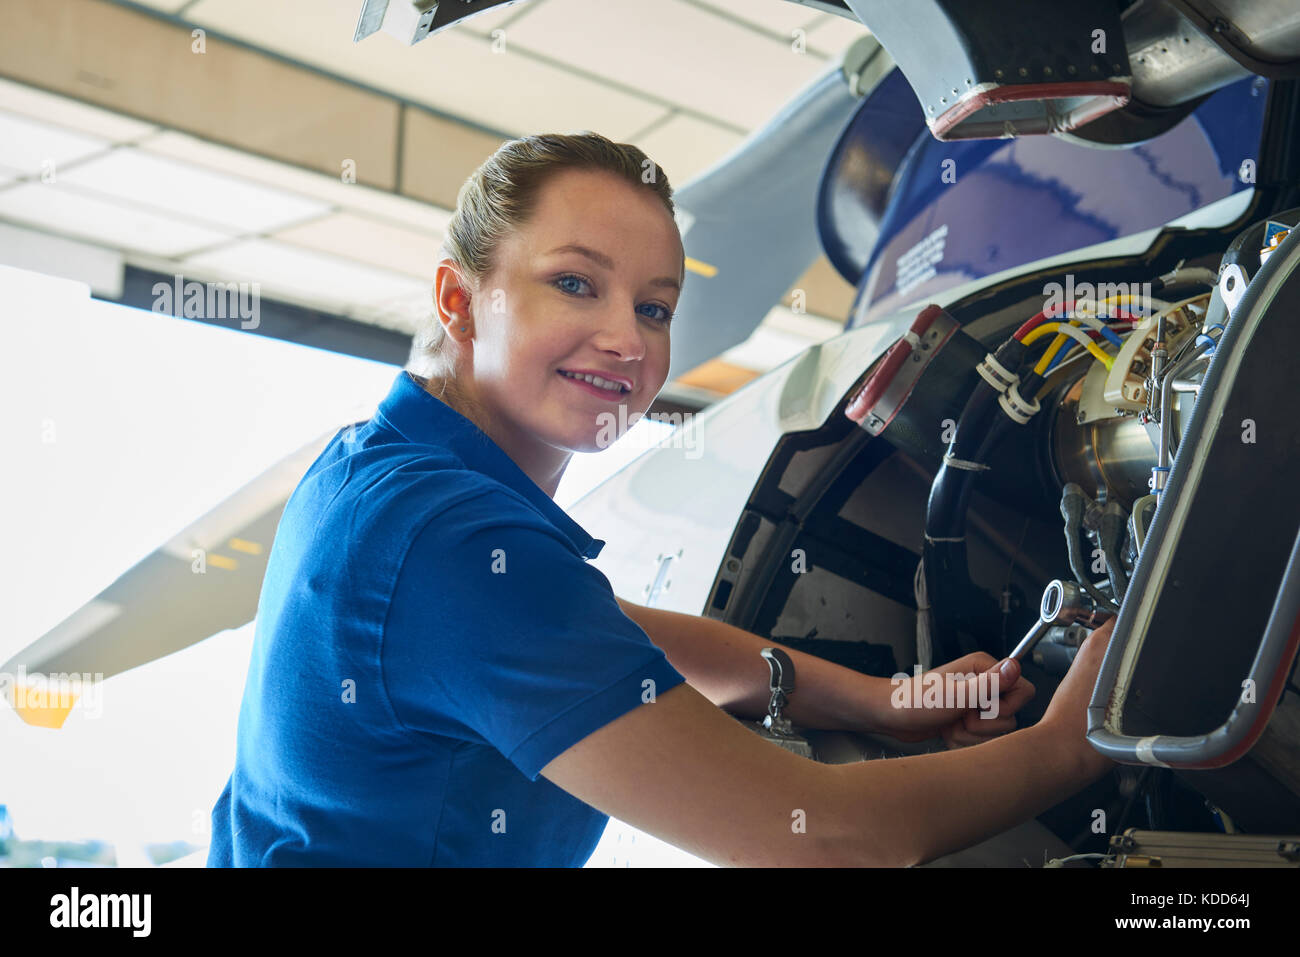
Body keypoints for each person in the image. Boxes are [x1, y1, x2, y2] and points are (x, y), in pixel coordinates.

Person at [207, 131, 1116, 867]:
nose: (625, 340)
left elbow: (617, 631)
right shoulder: (448, 541)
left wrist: (876, 700)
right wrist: (1068, 745)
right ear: (459, 297)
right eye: (574, 284)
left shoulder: (376, 469)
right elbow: (828, 838)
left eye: (655, 308)